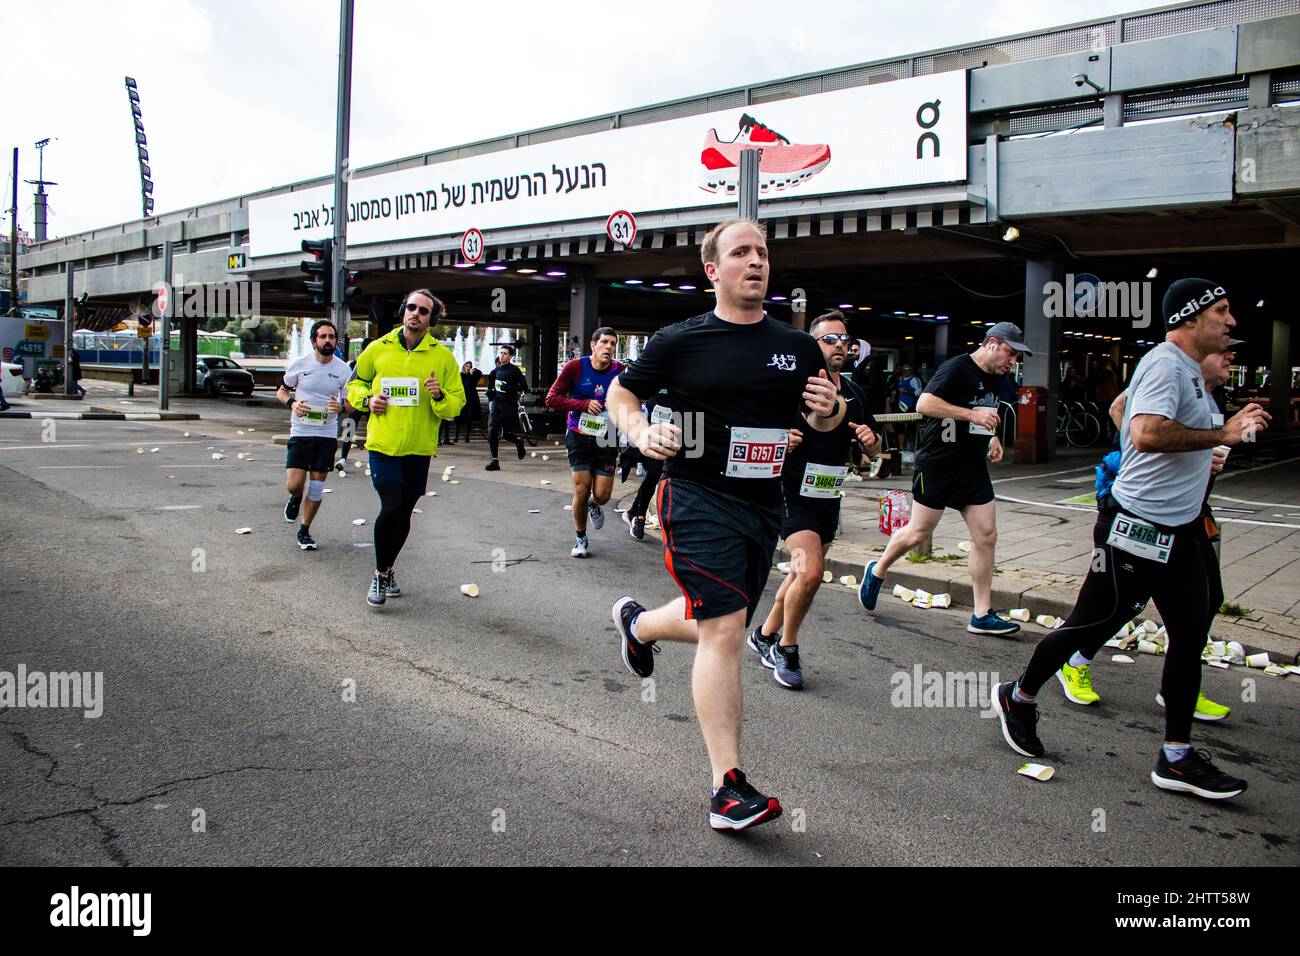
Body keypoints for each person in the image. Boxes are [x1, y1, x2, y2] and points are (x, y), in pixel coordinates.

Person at [990, 279, 1270, 801]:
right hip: (1135, 527)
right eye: (1223, 312)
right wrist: (1223, 435)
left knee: (1192, 630)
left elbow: (1142, 427)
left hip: (1180, 529)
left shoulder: (1191, 374)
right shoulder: (1167, 364)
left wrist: (1206, 453)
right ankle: (1020, 695)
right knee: (1091, 622)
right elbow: (1142, 432)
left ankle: (1177, 757)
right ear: (1189, 318)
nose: (1232, 323)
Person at [605, 218, 841, 832]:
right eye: (741, 252)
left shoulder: (798, 345)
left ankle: (638, 624)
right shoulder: (681, 341)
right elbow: (621, 396)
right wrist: (639, 431)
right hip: (697, 496)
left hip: (765, 504)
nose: (756, 262)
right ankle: (726, 786)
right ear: (713, 270)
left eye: (762, 252)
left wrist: (829, 412)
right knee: (727, 629)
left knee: (720, 615)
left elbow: (828, 411)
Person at [1055, 339, 1247, 721]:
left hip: (1189, 514)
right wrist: (1152, 456)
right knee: (1125, 600)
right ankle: (1072, 661)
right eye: (1223, 349)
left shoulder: (1211, 395)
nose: (1230, 356)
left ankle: (1177, 689)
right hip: (1144, 511)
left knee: (1208, 599)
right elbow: (1120, 409)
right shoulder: (1171, 372)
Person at [857, 323, 1028, 636]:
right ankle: (877, 569)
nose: (1013, 361)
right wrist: (972, 416)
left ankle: (981, 614)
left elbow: (985, 412)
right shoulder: (956, 368)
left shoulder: (997, 377)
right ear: (992, 343)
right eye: (1011, 352)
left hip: (972, 468)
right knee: (918, 531)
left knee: (986, 535)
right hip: (937, 464)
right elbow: (925, 404)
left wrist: (991, 435)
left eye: (1017, 356)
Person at [748, 311, 879, 689]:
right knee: (809, 571)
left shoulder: (854, 394)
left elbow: (875, 452)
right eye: (829, 339)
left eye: (844, 339)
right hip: (789, 494)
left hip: (828, 496)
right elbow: (753, 436)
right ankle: (786, 649)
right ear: (811, 344)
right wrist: (779, 442)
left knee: (801, 575)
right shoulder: (791, 388)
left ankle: (764, 634)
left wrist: (872, 444)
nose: (839, 345)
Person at [346, 290, 466, 607]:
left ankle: (388, 567)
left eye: (423, 311)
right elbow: (353, 384)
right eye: (411, 307)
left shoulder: (441, 357)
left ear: (432, 319)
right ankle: (379, 573)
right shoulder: (378, 348)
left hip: (418, 448)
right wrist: (367, 400)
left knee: (404, 513)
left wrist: (440, 396)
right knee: (390, 506)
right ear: (403, 310)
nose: (415, 313)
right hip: (383, 445)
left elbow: (457, 406)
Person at [545, 327, 625, 557]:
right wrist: (582, 404)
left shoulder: (620, 371)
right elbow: (552, 398)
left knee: (602, 495)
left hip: (606, 436)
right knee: (581, 489)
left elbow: (634, 394)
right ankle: (581, 539)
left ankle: (594, 504)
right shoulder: (575, 367)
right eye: (605, 342)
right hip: (578, 435)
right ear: (593, 345)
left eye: (613, 344)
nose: (609, 347)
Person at [277, 319, 351, 551]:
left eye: (332, 337)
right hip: (301, 431)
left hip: (326, 434)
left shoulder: (343, 369)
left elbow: (350, 403)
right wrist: (292, 404)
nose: (328, 340)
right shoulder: (299, 365)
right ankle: (295, 497)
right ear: (313, 341)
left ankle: (305, 530)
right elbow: (282, 391)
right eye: (323, 337)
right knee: (294, 484)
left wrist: (341, 408)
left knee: (317, 488)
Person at [484, 345, 528, 471]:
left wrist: (508, 389)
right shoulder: (496, 371)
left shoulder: (514, 370)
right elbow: (491, 387)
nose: (502, 355)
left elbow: (524, 387)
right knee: (492, 432)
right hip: (497, 405)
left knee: (507, 434)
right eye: (501, 353)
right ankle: (494, 461)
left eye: (505, 353)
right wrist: (490, 393)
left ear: (510, 356)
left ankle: (518, 441)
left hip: (509, 405)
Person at [453, 361, 483, 443]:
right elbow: (464, 384)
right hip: (461, 398)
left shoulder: (473, 376)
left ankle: (467, 436)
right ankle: (456, 436)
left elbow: (480, 374)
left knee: (469, 418)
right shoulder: (460, 375)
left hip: (470, 399)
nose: (468, 368)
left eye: (470, 366)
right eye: (467, 366)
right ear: (464, 366)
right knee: (458, 418)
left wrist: (474, 371)